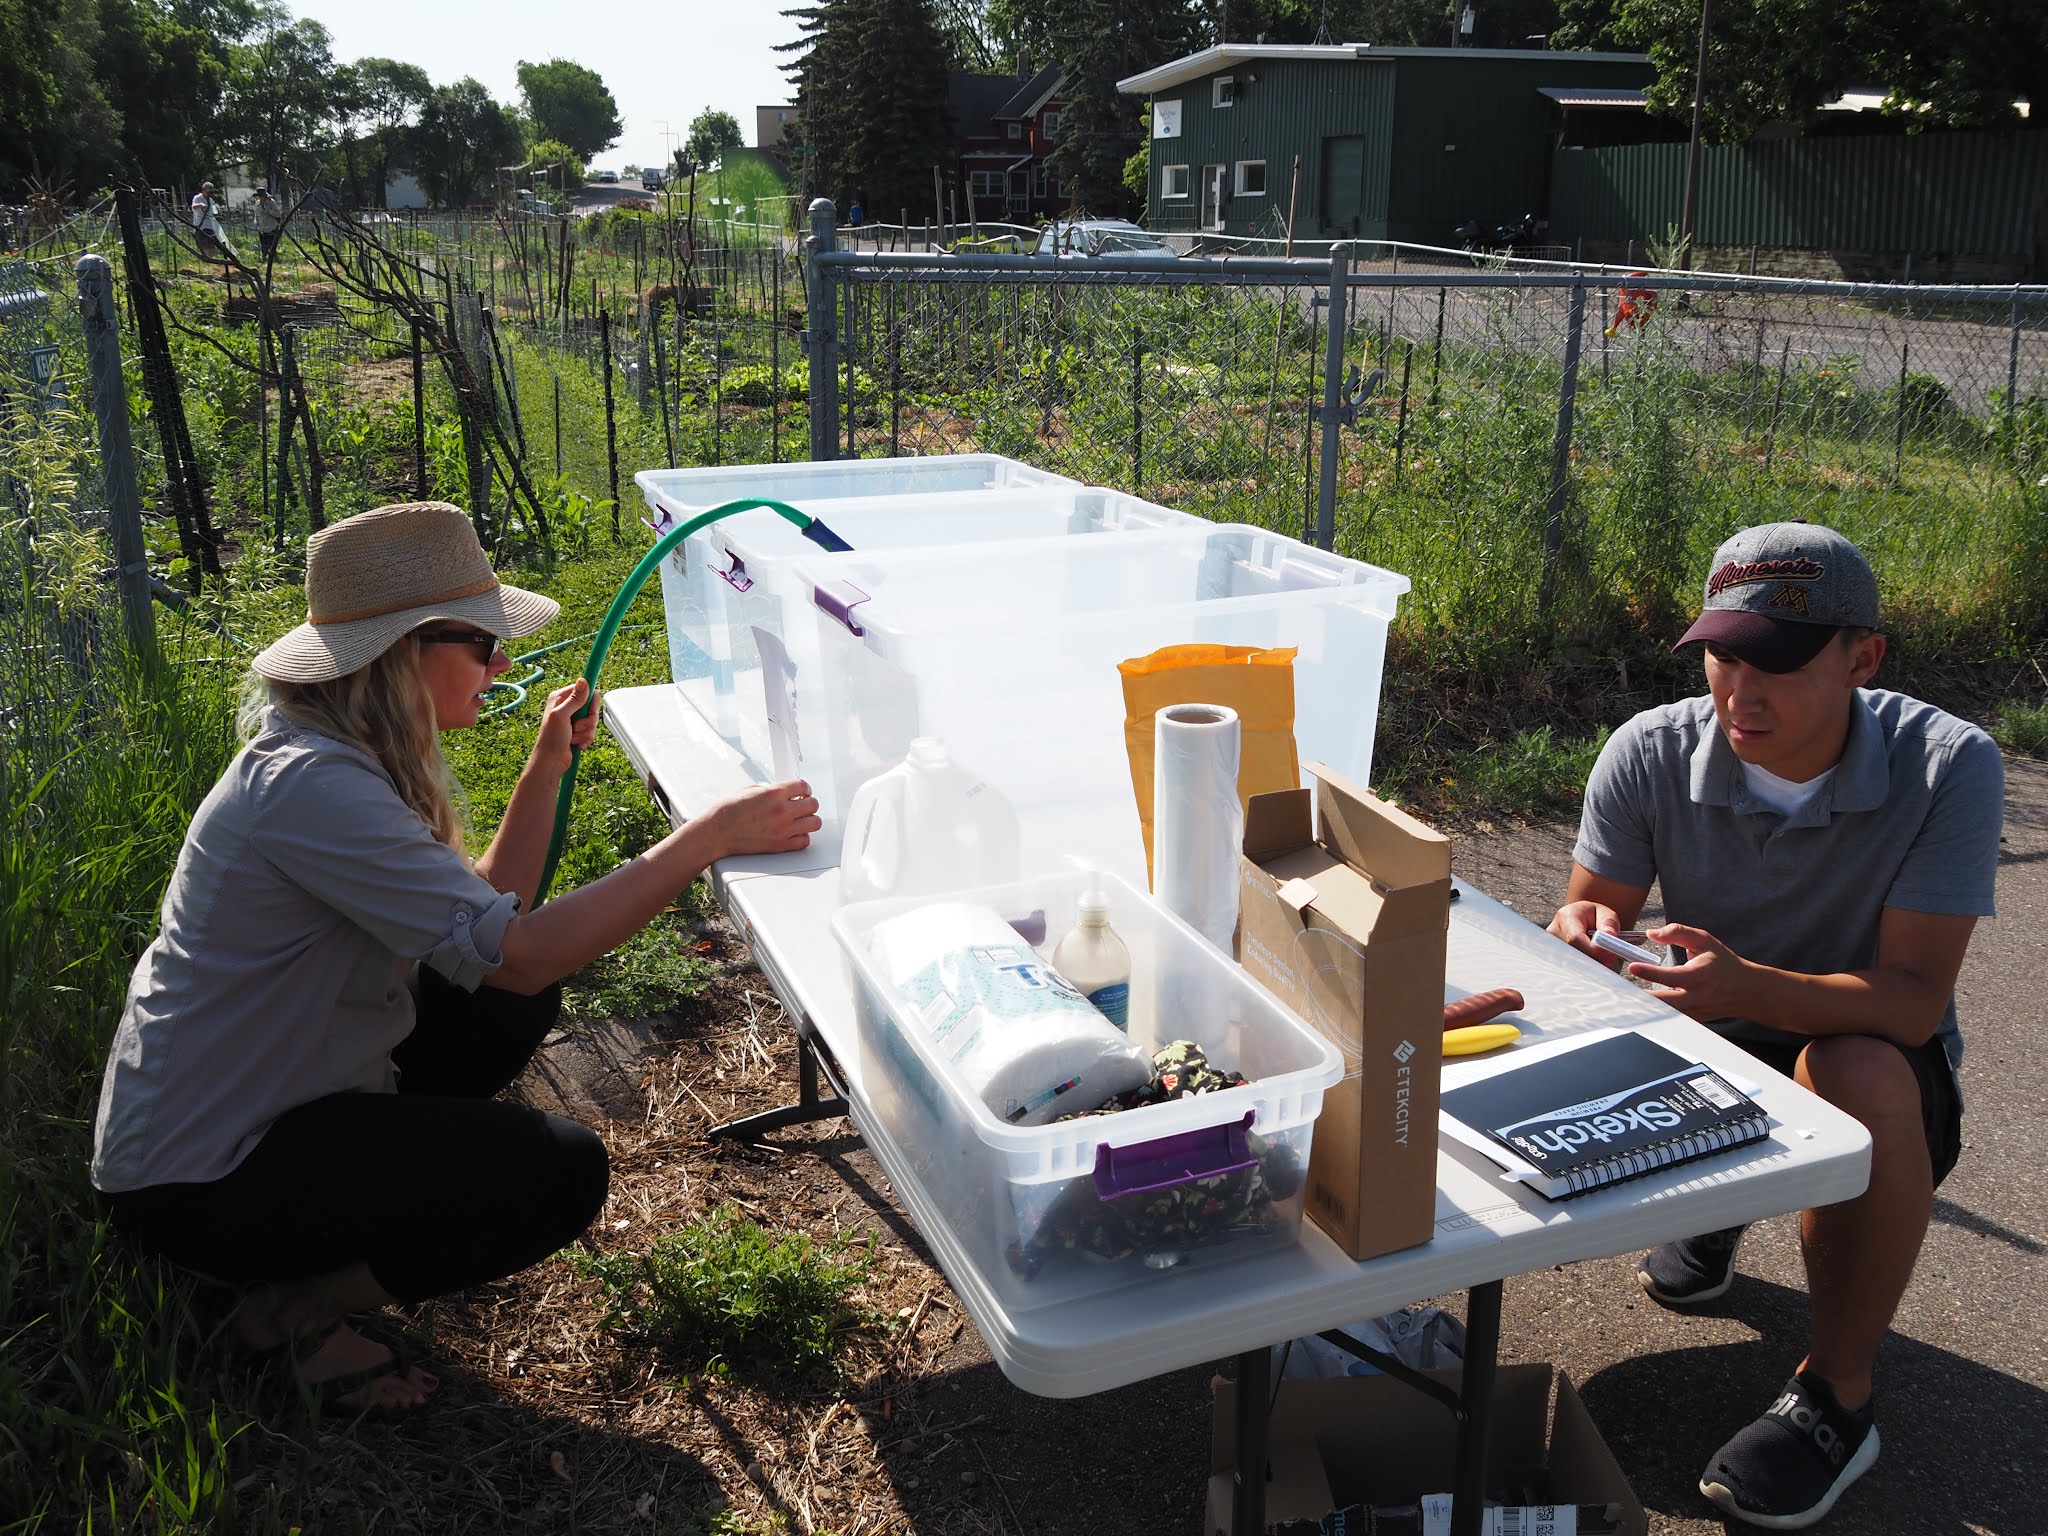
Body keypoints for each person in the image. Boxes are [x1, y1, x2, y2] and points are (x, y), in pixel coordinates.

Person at [91, 501, 821, 1414]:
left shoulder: (339, 757)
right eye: (482, 644)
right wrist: (703, 840)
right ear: (405, 653)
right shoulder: (312, 788)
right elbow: (519, 952)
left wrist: (544, 772)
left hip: (271, 1098)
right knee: (555, 1174)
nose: (501, 664)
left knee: (510, 1003)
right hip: (202, 1176)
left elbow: (486, 930)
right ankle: (282, 1313)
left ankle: (366, 1202)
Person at [1547, 522, 2002, 1530]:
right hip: (1704, 1021)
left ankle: (1836, 1398)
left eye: (1781, 665)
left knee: (1852, 1069)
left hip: (1861, 1047)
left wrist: (1746, 984)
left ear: (1862, 658)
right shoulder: (1648, 750)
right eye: (1722, 657)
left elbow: (1909, 1000)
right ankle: (1719, 1204)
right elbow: (1591, 917)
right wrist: (1580, 931)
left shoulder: (1949, 767)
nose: (1741, 695)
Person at [189, 181, 233, 260]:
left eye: (211, 192)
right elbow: (193, 206)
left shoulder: (210, 200)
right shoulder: (198, 198)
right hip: (200, 226)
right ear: (203, 190)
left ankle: (210, 259)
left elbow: (212, 213)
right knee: (204, 245)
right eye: (209, 192)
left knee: (211, 244)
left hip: (210, 226)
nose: (210, 194)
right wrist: (200, 205)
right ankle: (207, 260)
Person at [253, 186, 284, 263]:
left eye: (261, 196)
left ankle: (274, 259)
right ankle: (264, 259)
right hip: (262, 228)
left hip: (271, 227)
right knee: (263, 245)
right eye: (259, 196)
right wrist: (256, 222)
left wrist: (269, 211)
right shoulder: (257, 204)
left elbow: (278, 213)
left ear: (265, 196)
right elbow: (256, 215)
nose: (260, 197)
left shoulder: (271, 202)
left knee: (271, 245)